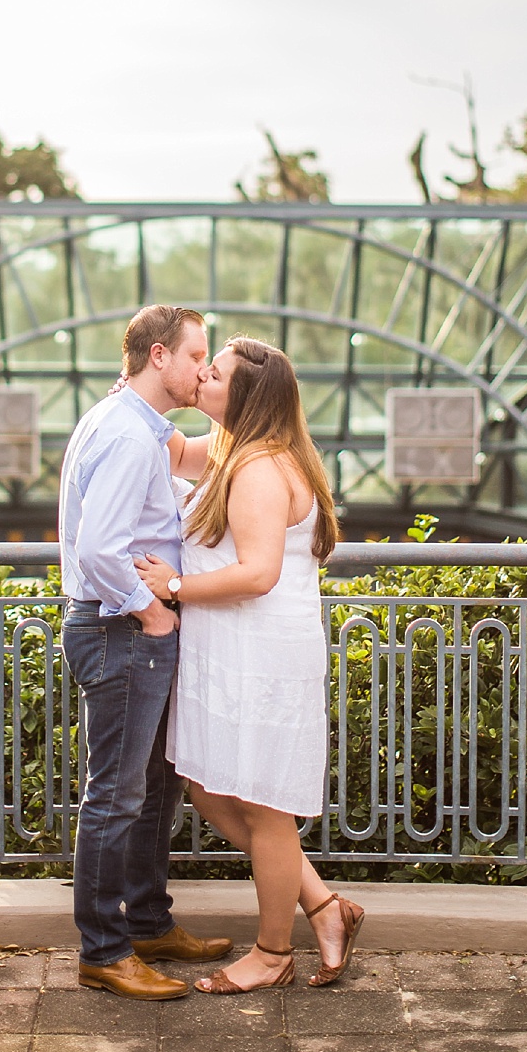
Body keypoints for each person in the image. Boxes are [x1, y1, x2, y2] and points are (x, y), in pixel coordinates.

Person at [134, 336, 365, 993]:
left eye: (217, 372)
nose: (203, 374)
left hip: (259, 655)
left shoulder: (260, 468)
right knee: (208, 784)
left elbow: (259, 573)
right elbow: (173, 451)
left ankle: (272, 952)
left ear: (247, 396)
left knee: (264, 807)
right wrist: (140, 388)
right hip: (233, 652)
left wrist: (171, 588)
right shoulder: (236, 449)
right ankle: (323, 906)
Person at [57, 303, 231, 1001]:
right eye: (195, 356)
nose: (202, 369)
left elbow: (146, 517)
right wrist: (154, 615)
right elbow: (100, 550)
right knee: (116, 796)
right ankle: (103, 950)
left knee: (153, 788)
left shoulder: (124, 422)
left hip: (120, 629)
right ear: (159, 356)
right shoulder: (130, 435)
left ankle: (151, 923)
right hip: (121, 631)